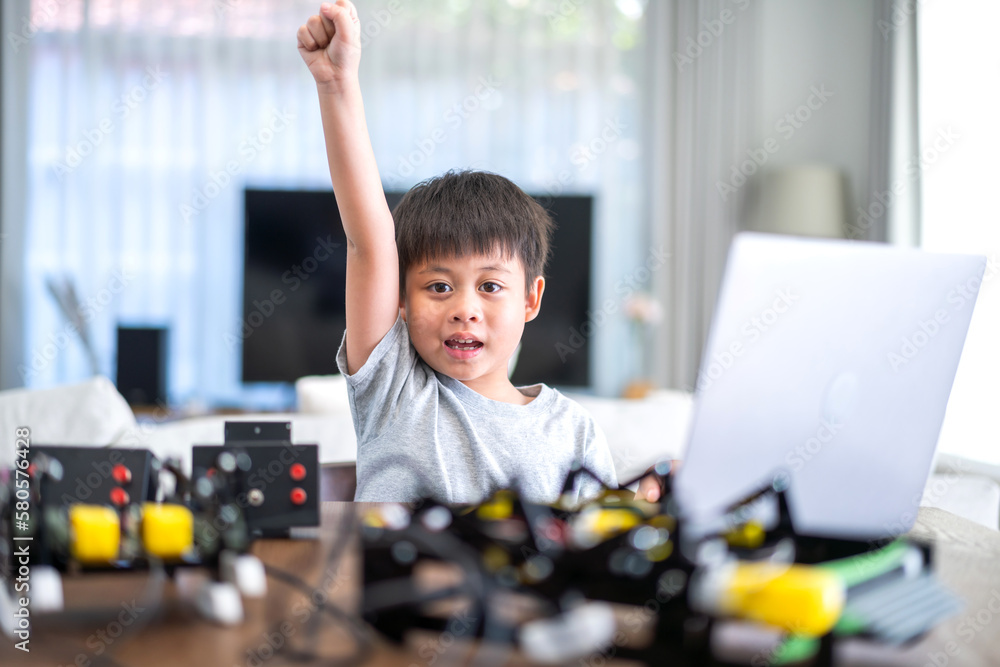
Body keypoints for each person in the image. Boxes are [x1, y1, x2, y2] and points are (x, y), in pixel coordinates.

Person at [296, 1, 617, 503]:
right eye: (439, 287)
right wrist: (337, 84)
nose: (464, 309)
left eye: (490, 286)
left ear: (531, 300)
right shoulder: (394, 388)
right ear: (401, 298)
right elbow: (370, 241)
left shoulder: (574, 431)